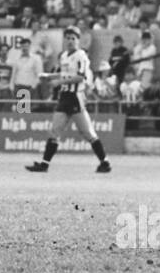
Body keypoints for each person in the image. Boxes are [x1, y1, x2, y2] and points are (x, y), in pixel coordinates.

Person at [24, 27, 111, 174]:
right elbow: (65, 74)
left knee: (88, 133)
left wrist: (59, 82)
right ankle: (44, 165)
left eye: (73, 38)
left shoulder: (81, 56)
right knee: (54, 131)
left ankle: (105, 162)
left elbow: (80, 77)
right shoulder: (64, 55)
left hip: (76, 97)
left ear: (78, 40)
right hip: (64, 97)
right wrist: (49, 76)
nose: (70, 41)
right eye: (68, 38)